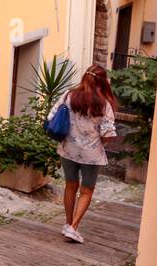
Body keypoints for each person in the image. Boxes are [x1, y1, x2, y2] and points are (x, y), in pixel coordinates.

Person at [47, 64, 118, 243]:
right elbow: (108, 133)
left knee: (70, 185)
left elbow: (50, 117)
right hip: (91, 155)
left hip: (68, 150)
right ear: (102, 82)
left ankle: (68, 223)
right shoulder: (104, 104)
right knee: (87, 190)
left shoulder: (68, 95)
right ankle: (73, 227)